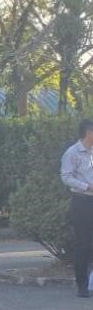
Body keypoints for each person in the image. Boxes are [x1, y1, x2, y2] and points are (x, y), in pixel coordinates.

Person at [60, 118, 93, 298]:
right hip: (82, 201)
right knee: (84, 243)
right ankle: (82, 285)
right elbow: (66, 177)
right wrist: (86, 186)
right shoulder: (72, 152)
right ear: (88, 132)